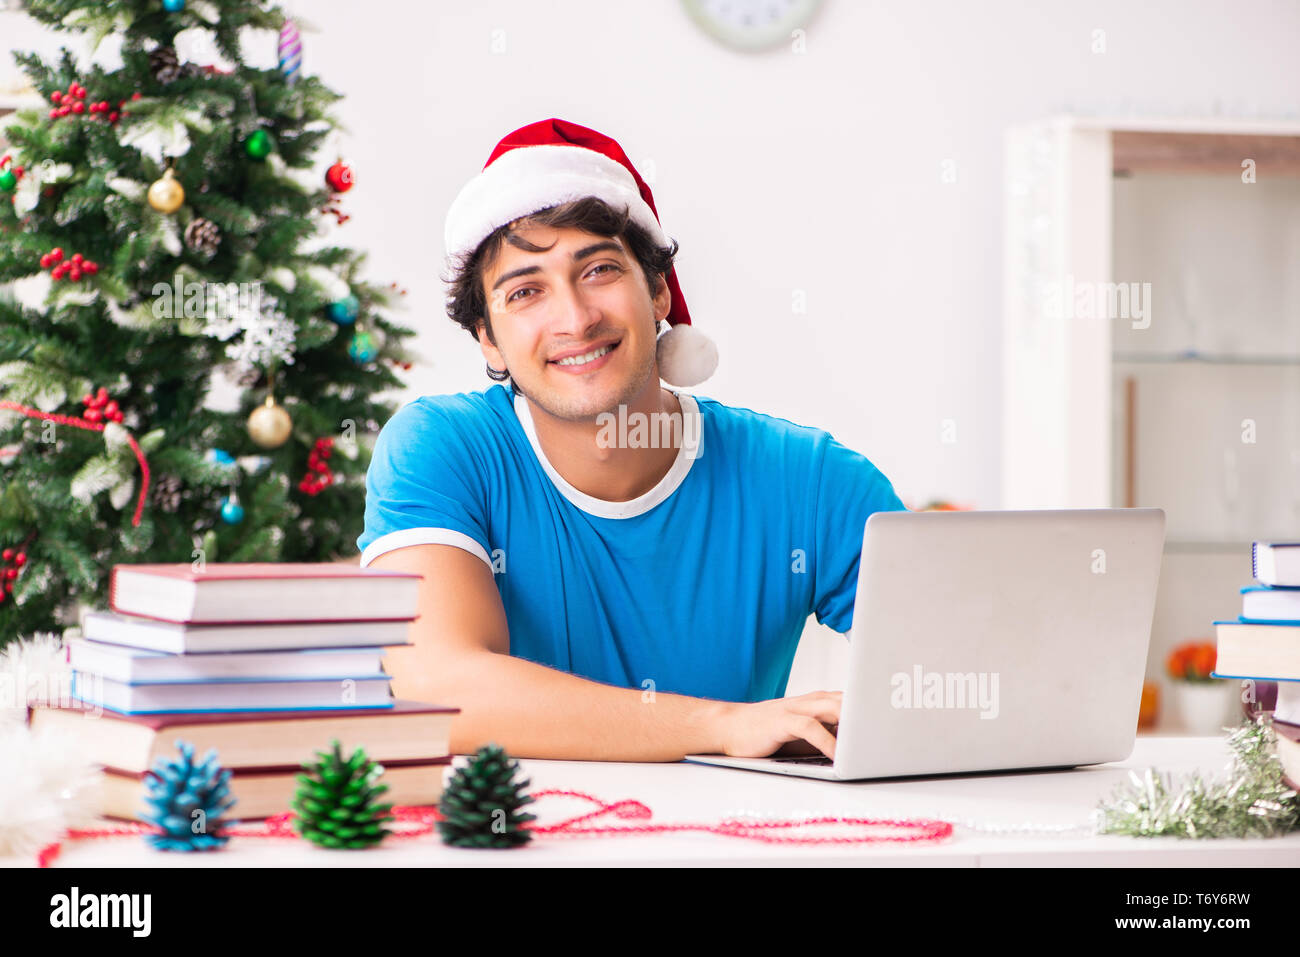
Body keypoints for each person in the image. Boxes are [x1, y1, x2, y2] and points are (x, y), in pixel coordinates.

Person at [356, 118, 907, 761]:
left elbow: (958, 675)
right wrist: (721, 727)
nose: (575, 317)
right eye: (527, 290)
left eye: (599, 270)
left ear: (660, 292)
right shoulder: (440, 451)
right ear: (487, 338)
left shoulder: (813, 481)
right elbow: (434, 686)